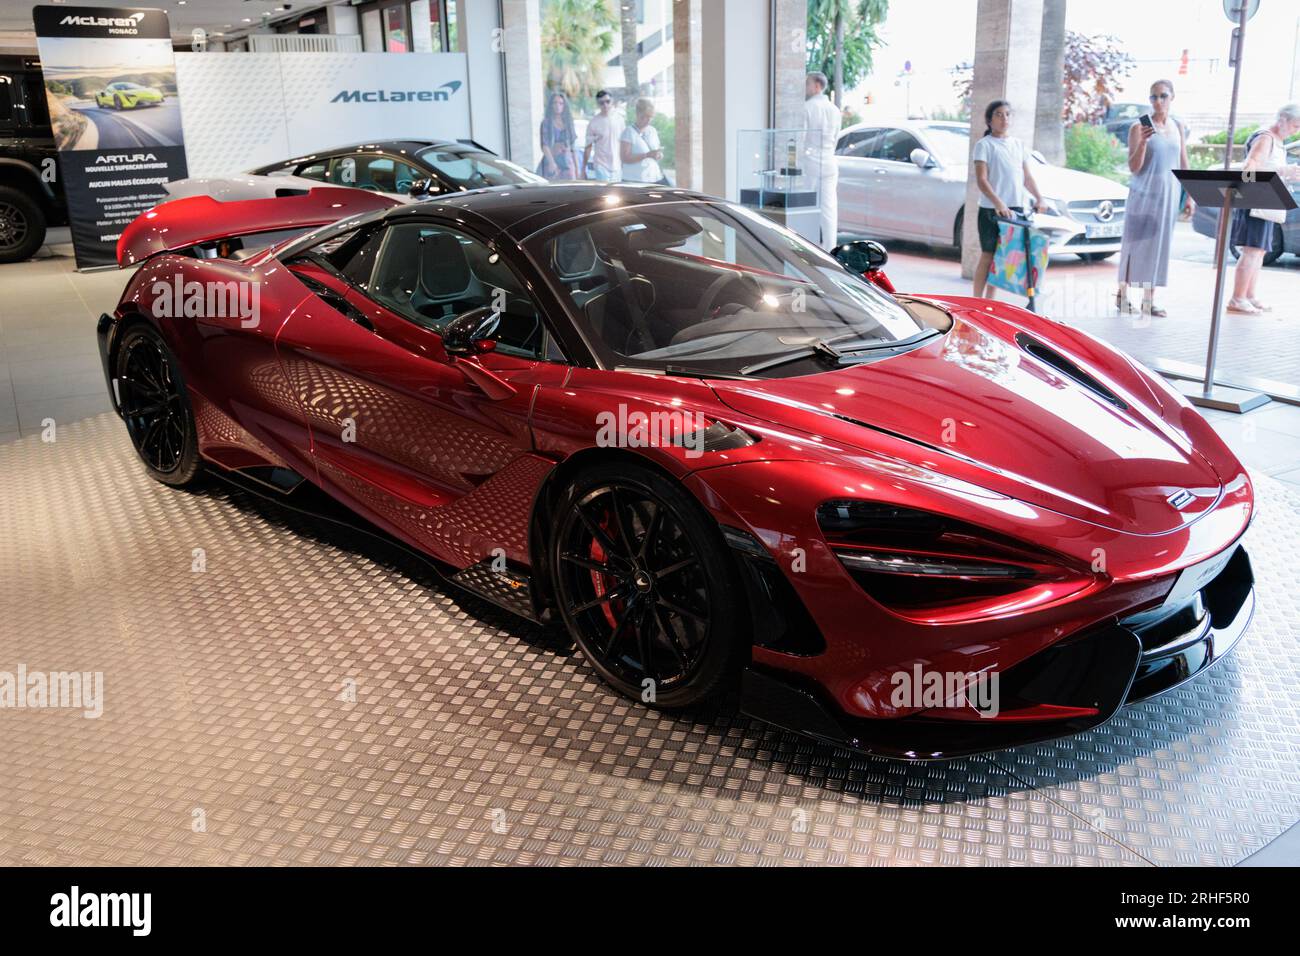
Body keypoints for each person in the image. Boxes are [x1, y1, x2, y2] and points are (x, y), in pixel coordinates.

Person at [1115, 80, 1191, 317]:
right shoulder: (1138, 127)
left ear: (1172, 97)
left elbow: (1183, 161)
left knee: (1160, 245)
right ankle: (1122, 294)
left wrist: (1190, 195)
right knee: (1135, 243)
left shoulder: (1177, 126)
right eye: (1153, 97)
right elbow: (1134, 167)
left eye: (1163, 96)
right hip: (1143, 192)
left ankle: (1149, 300)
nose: (1158, 101)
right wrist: (1144, 142)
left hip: (1169, 193)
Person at [1228, 103, 1300, 314]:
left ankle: (1248, 296)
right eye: (1295, 126)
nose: (1296, 131)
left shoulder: (1274, 141)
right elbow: (1250, 168)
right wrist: (1284, 171)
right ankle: (1238, 297)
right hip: (1257, 201)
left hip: (1266, 201)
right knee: (1252, 251)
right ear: (1283, 120)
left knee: (1259, 251)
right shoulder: (1266, 138)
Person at [971, 99, 1044, 298]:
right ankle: (976, 300)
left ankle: (990, 301)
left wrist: (1039, 198)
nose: (1004, 118)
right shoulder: (984, 145)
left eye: (1007, 114)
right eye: (999, 114)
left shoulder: (1018, 145)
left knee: (1001, 258)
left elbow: (1026, 177)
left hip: (1014, 209)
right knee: (988, 255)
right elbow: (982, 180)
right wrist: (998, 203)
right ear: (989, 120)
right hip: (991, 210)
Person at [803, 72, 841, 250]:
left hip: (811, 161)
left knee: (807, 205)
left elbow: (801, 137)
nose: (806, 87)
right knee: (829, 209)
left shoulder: (808, 107)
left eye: (808, 83)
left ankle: (807, 246)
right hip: (829, 160)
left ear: (817, 85)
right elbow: (835, 138)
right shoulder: (834, 109)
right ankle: (830, 249)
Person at [620, 98, 669, 185]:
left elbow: (656, 149)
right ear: (637, 114)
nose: (648, 120)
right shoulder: (628, 132)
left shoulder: (652, 131)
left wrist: (658, 155)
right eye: (645, 117)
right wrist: (646, 155)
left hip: (654, 177)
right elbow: (625, 158)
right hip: (634, 179)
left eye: (651, 117)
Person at [583, 90, 624, 181]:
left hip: (617, 166)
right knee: (604, 194)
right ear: (598, 104)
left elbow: (624, 143)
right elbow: (588, 146)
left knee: (617, 194)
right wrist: (583, 168)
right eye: (601, 103)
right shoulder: (594, 122)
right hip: (601, 165)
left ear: (612, 101)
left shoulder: (620, 119)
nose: (605, 105)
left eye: (607, 101)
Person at [539, 91, 577, 181]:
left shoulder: (568, 123)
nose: (557, 106)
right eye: (555, 103)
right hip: (552, 161)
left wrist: (576, 167)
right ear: (551, 105)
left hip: (567, 162)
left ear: (564, 106)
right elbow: (544, 145)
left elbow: (573, 148)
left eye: (561, 103)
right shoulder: (546, 123)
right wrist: (552, 163)